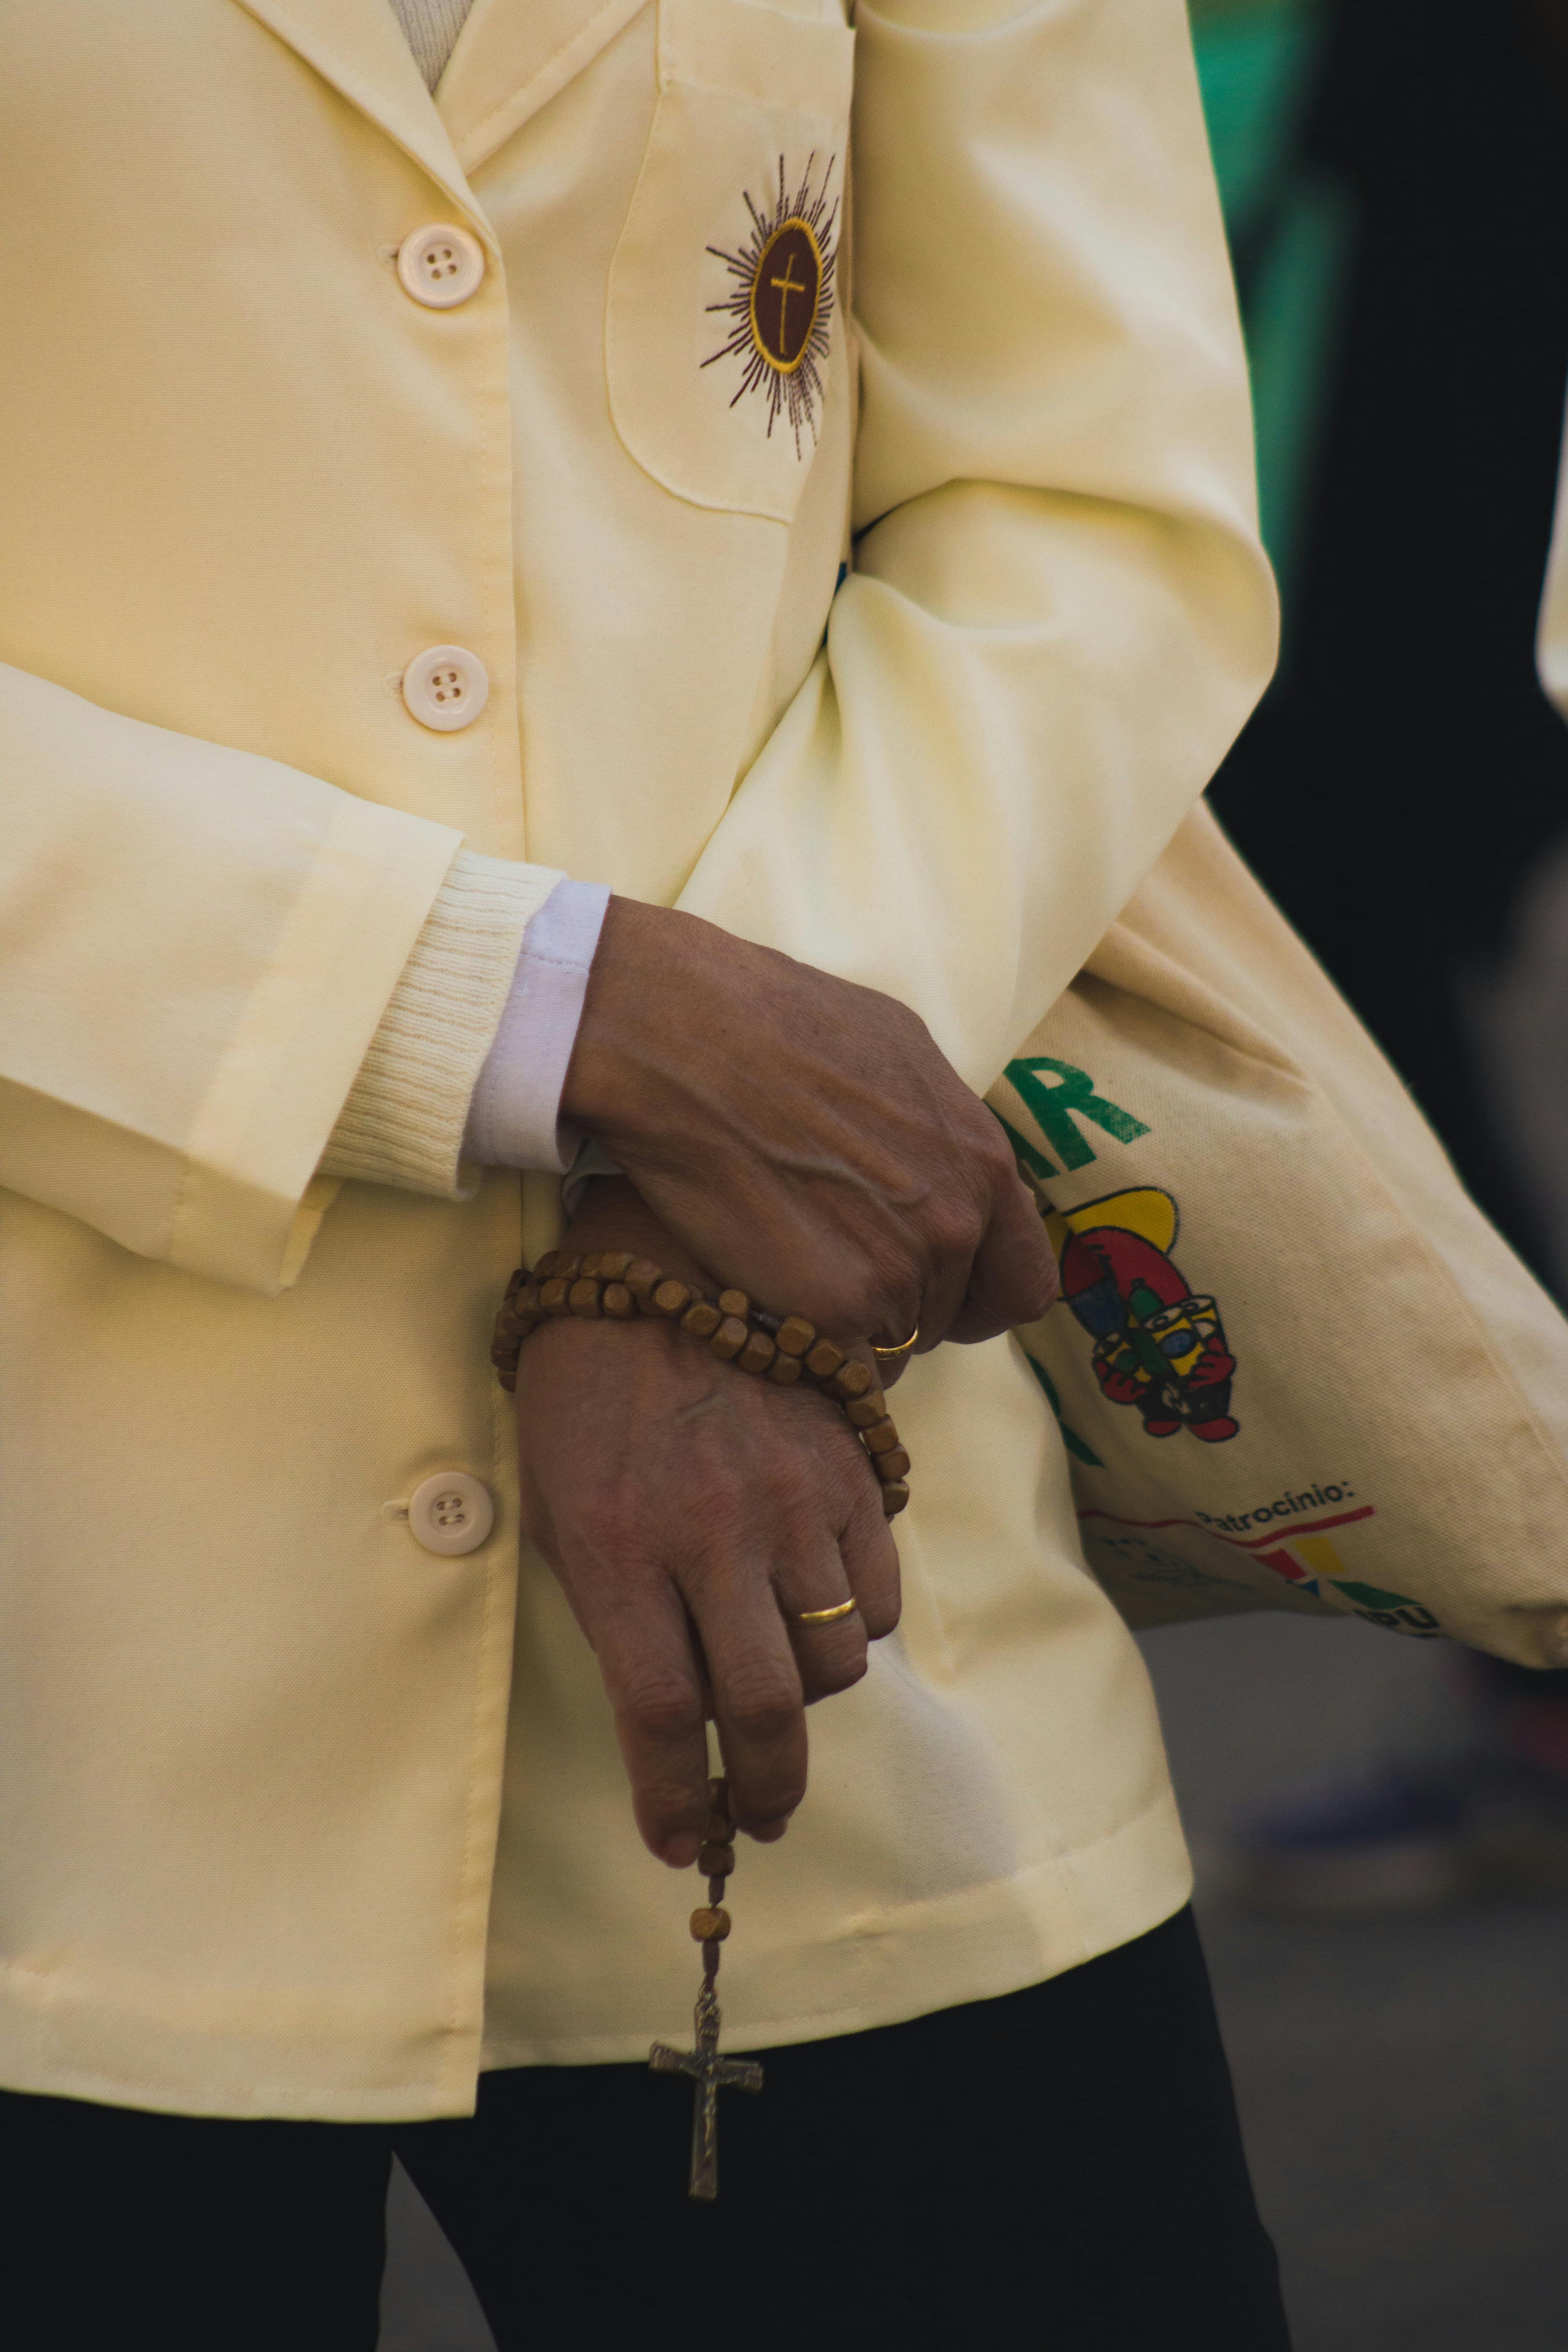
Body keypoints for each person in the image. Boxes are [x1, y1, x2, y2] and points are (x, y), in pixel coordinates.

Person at [0, 0, 1283, 2342]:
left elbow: (1082, 497)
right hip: (54, 1662)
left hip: (833, 1642)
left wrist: (711, 1219)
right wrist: (513, 1008)